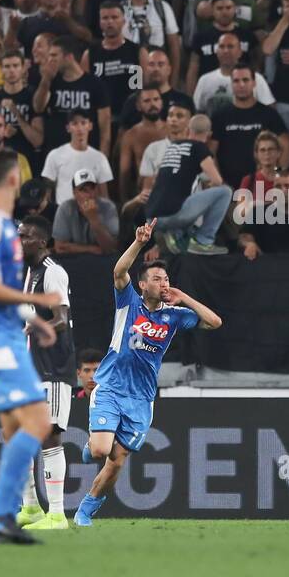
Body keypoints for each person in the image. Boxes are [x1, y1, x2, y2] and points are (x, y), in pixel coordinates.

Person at [73, 221, 222, 526]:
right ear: (143, 284)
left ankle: (86, 510)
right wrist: (139, 242)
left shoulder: (174, 316)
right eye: (157, 278)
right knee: (102, 450)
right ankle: (91, 447)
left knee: (117, 462)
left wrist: (184, 297)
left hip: (142, 397)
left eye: (167, 279)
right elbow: (118, 272)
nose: (163, 283)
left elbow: (214, 322)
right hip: (112, 386)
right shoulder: (128, 302)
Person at [0, 148, 62, 543]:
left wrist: (32, 319)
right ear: (11, 180)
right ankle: (1, 514)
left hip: (3, 332)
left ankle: (4, 516)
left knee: (13, 430)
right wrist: (40, 302)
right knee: (39, 423)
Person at [13, 215, 77, 531]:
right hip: (33, 368)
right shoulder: (30, 273)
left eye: (24, 236)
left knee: (49, 434)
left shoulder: (54, 273)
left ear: (41, 241)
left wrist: (35, 328)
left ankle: (57, 514)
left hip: (53, 368)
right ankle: (31, 508)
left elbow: (61, 318)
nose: (18, 240)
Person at [147, 128, 231, 255]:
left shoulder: (172, 147)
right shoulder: (199, 146)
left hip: (151, 218)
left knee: (186, 203)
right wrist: (212, 184)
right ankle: (203, 241)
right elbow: (217, 180)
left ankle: (172, 235)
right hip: (174, 214)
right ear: (208, 135)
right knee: (225, 192)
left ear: (188, 131)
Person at [52, 169, 119, 255]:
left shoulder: (108, 207)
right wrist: (91, 249)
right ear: (74, 193)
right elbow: (60, 248)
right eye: (84, 190)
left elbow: (111, 249)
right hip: (73, 262)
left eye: (92, 188)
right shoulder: (65, 209)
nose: (90, 194)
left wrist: (94, 220)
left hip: (102, 262)